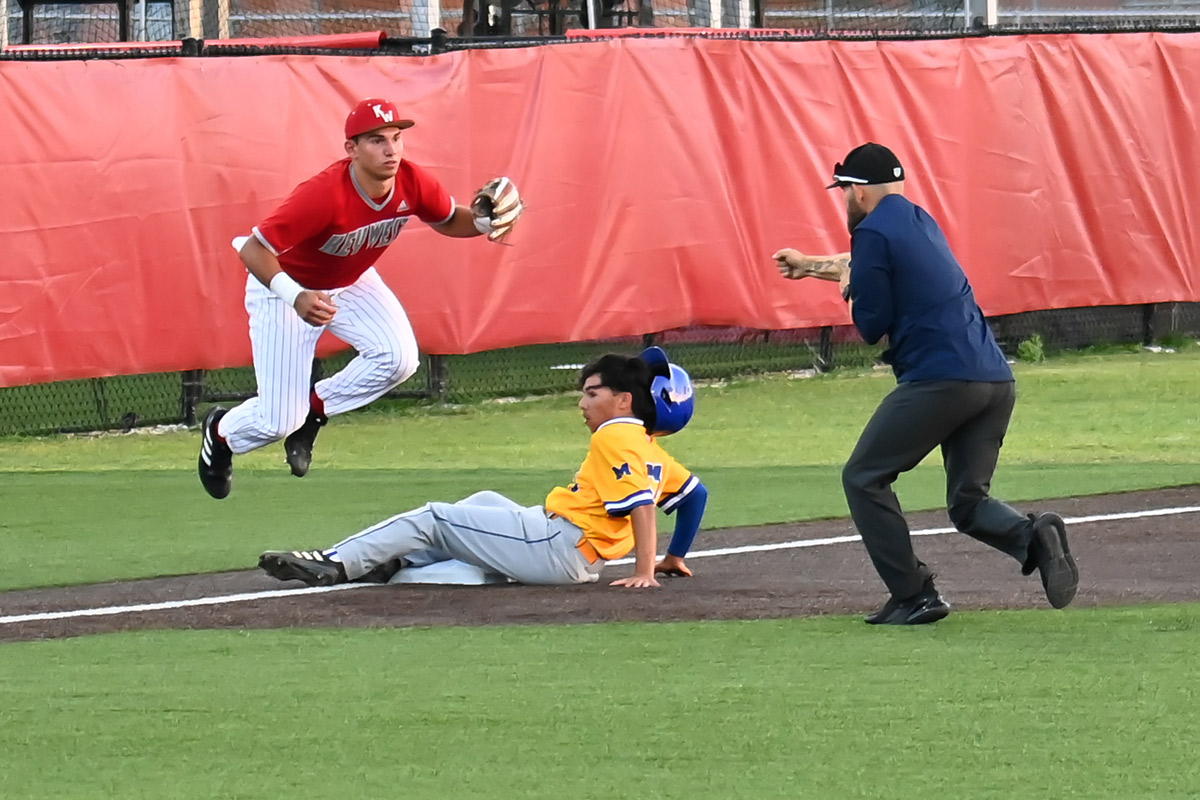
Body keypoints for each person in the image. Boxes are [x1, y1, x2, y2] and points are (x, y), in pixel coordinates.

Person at [774, 142, 1078, 625]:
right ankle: (1032, 536)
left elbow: (871, 322)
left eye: (844, 192)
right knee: (968, 502)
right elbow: (870, 264)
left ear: (858, 193)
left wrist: (845, 288)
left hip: (942, 380)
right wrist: (812, 265)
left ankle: (914, 594)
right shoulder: (920, 222)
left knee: (864, 476)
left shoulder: (870, 231)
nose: (844, 201)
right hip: (994, 380)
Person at [198, 98, 524, 500]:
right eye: (376, 140)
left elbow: (447, 219)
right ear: (351, 149)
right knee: (277, 420)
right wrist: (296, 296)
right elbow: (253, 250)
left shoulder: (411, 181)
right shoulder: (323, 195)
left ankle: (315, 410)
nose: (391, 150)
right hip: (284, 289)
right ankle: (221, 433)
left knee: (399, 358)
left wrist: (482, 221)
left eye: (396, 138)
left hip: (350, 280)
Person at [258, 347, 708, 589]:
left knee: (434, 516)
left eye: (593, 393)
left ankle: (336, 562)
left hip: (558, 546)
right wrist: (676, 557)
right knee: (483, 502)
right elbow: (695, 497)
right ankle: (396, 561)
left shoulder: (615, 435)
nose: (582, 402)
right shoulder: (651, 448)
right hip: (564, 546)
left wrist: (648, 570)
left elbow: (642, 507)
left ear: (624, 401)